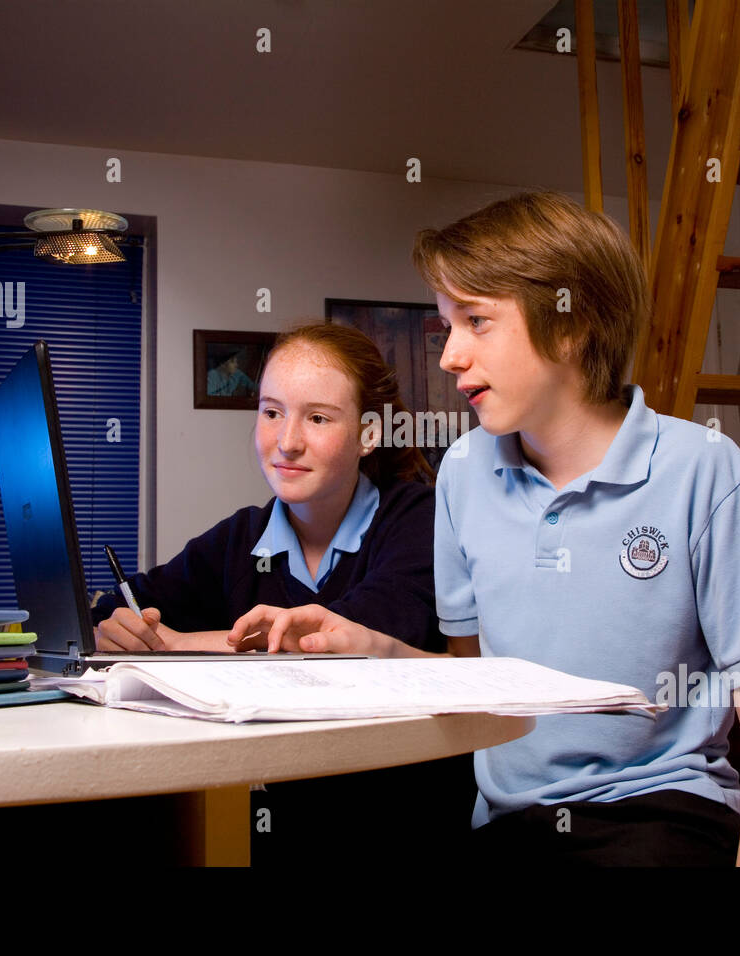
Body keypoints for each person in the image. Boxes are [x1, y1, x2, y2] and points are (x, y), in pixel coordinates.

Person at [226, 191, 740, 866]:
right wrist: (369, 645)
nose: (450, 355)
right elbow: (476, 682)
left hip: (657, 816)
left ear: (571, 324)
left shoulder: (703, 472)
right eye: (449, 326)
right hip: (509, 826)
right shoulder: (462, 473)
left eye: (475, 321)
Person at [93, 321, 474, 864]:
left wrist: (178, 646)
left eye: (317, 418)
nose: (287, 440)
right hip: (285, 820)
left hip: (407, 824)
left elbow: (339, 637)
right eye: (272, 412)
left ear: (369, 434)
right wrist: (119, 624)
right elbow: (129, 601)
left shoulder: (417, 517)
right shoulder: (241, 536)